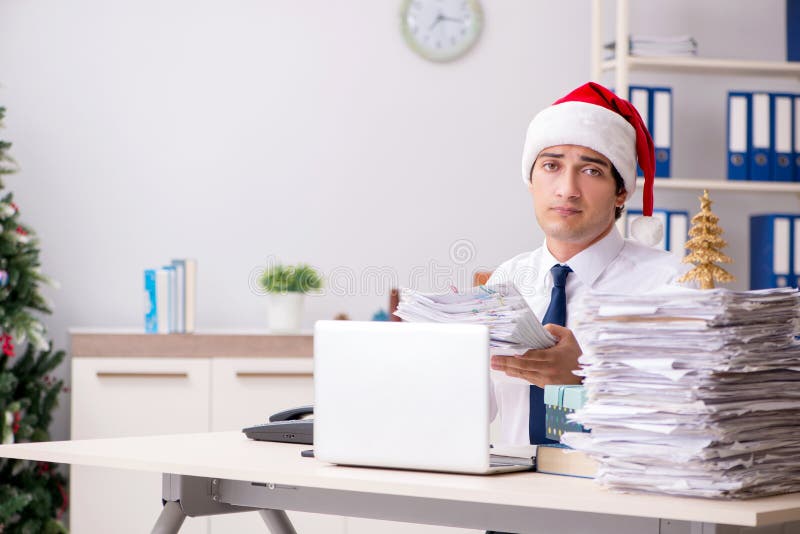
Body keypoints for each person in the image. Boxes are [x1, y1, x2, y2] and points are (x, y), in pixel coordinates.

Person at [486, 82, 686, 448]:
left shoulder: (671, 285)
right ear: (531, 181)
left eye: (591, 171)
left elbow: (692, 411)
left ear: (621, 191)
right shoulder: (507, 280)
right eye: (551, 166)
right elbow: (472, 406)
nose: (567, 189)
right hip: (516, 495)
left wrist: (587, 375)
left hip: (622, 496)